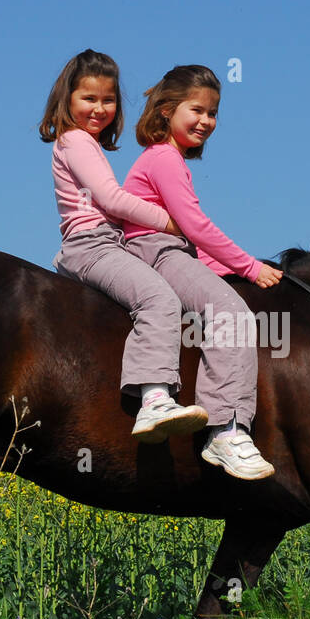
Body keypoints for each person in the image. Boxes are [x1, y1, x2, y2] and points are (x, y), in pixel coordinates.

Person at [38, 49, 207, 444]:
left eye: (108, 100)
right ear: (68, 100)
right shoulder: (76, 140)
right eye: (89, 99)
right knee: (158, 300)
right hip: (91, 244)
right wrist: (170, 222)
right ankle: (153, 399)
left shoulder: (86, 142)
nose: (99, 108)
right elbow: (112, 200)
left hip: (106, 242)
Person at [121, 64, 281, 480]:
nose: (207, 121)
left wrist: (234, 269)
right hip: (157, 251)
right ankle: (226, 431)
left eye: (213, 113)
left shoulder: (168, 160)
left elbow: (191, 243)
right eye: (197, 110)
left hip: (170, 251)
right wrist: (248, 266)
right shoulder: (163, 159)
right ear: (165, 111)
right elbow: (193, 226)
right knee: (231, 313)